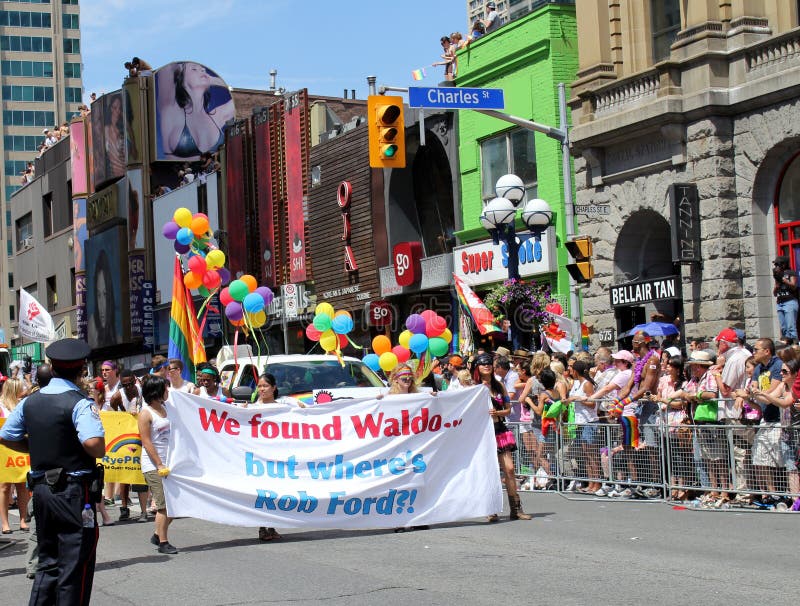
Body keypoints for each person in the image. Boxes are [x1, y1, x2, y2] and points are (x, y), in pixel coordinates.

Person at [0, 338, 104, 605]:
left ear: (53, 368)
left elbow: (6, 435)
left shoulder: (30, 402)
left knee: (48, 562)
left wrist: (34, 447)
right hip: (73, 491)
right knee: (75, 563)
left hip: (42, 490)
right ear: (81, 370)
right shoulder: (80, 402)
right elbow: (94, 445)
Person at [473, 353, 532, 521]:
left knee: (510, 469)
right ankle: (490, 509)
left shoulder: (499, 386)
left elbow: (508, 409)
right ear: (477, 367)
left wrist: (497, 412)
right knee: (489, 471)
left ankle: (516, 509)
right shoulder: (473, 387)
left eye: (489, 363)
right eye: (482, 363)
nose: (486, 366)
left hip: (499, 429)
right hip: (483, 433)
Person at [246, 373, 303, 541]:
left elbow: (302, 411)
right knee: (262, 493)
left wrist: (302, 407)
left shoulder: (283, 407)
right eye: (259, 386)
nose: (262, 389)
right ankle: (262, 528)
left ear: (274, 388)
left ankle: (271, 526)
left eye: (265, 386)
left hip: (278, 457)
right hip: (259, 458)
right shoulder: (251, 408)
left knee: (275, 491)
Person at [157, 61, 235, 160]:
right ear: (181, 78)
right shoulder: (170, 109)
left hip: (213, 170)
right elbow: (166, 69)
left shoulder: (217, 117)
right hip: (177, 170)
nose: (202, 70)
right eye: (194, 69)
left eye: (203, 69)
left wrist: (211, 79)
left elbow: (239, 101)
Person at [138, 375, 178, 554]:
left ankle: (157, 534)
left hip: (170, 463)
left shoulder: (167, 408)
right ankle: (163, 542)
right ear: (156, 391)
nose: (167, 391)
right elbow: (147, 442)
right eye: (165, 388)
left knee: (175, 505)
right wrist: (159, 464)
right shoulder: (145, 413)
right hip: (154, 465)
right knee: (163, 505)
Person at [0, 378, 29, 533]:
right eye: (20, 388)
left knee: (21, 484)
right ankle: (5, 523)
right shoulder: (1, 406)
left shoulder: (22, 405)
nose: (24, 391)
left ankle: (23, 519)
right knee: (4, 486)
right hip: (4, 449)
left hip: (19, 448)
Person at [88, 249, 117, 349]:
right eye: (98, 295)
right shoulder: (92, 326)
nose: (101, 304)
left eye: (105, 294)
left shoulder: (119, 338)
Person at [773, 256, 798, 345]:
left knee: (791, 326)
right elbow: (774, 294)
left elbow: (794, 286)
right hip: (780, 302)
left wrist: (785, 281)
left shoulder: (790, 272)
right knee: (783, 326)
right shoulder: (777, 275)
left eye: (778, 264)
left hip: (789, 301)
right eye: (775, 265)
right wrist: (776, 287)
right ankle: (786, 343)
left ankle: (795, 344)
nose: (776, 267)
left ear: (783, 264)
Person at [105, 94, 125, 176]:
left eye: (119, 108)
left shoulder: (123, 129)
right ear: (111, 108)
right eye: (115, 107)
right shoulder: (106, 129)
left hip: (124, 172)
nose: (117, 111)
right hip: (112, 173)